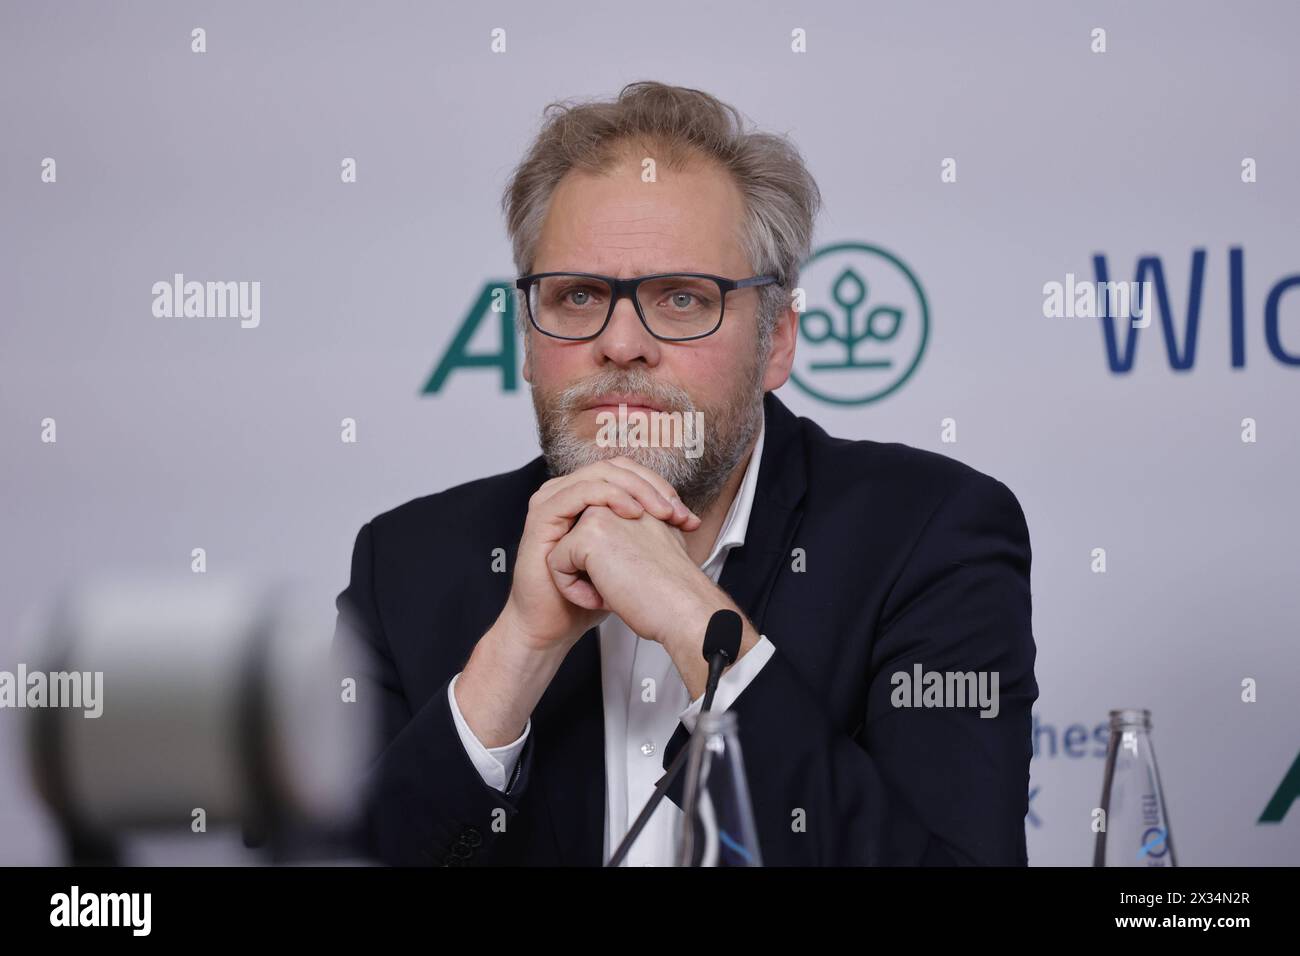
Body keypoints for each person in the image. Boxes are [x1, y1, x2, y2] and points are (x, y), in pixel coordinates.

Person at [333, 81, 1037, 866]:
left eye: (679, 298)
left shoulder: (931, 537)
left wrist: (697, 621)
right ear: (529, 344)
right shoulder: (407, 563)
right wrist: (514, 658)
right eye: (577, 296)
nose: (622, 343)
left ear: (776, 342)